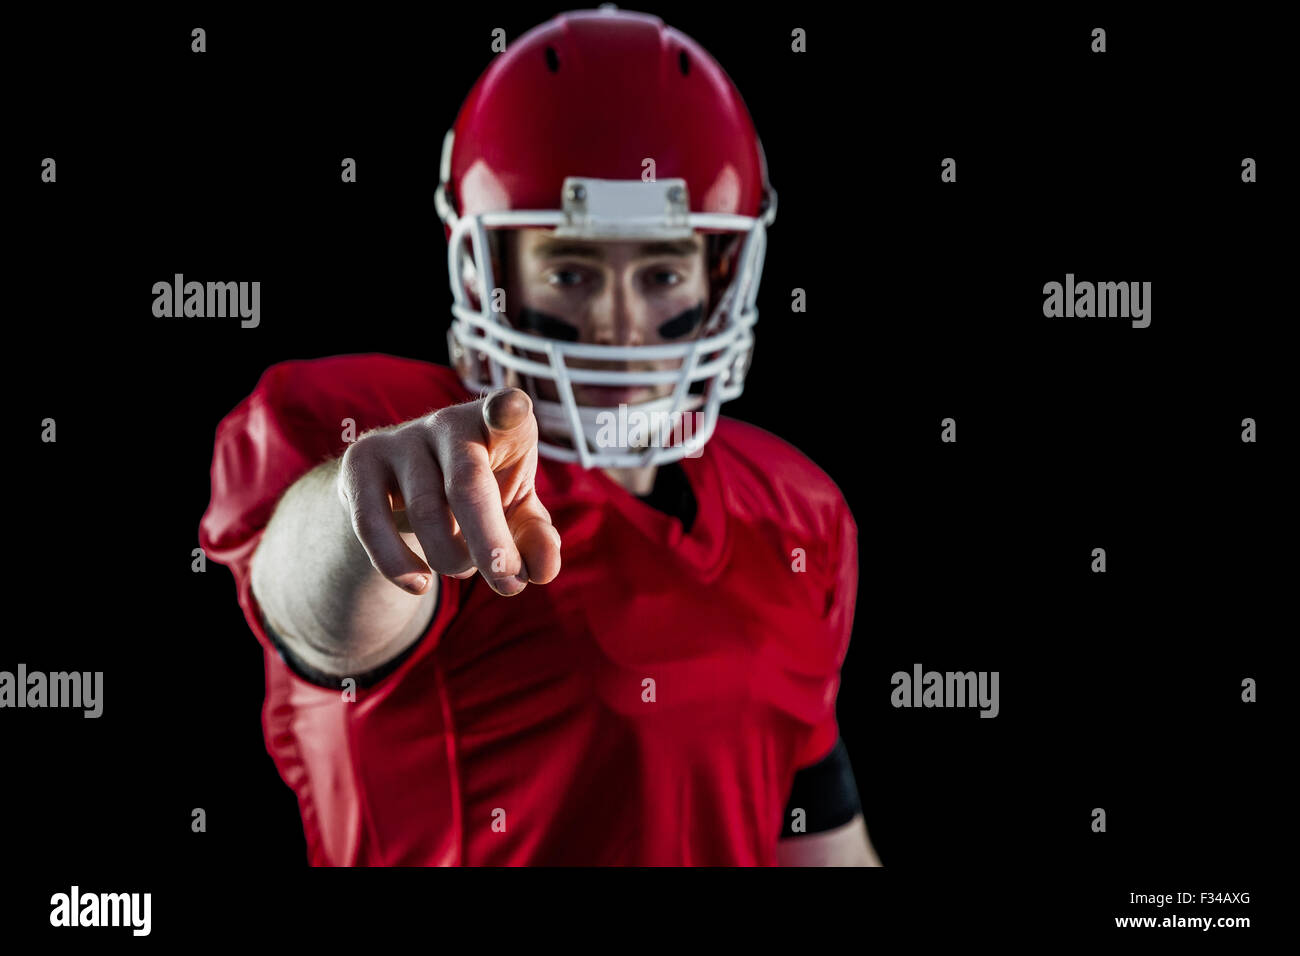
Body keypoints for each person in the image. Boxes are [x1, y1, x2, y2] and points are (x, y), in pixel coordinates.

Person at [199, 6, 881, 866]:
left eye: (662, 272)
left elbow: (819, 841)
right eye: (570, 270)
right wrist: (369, 507)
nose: (622, 328)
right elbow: (314, 618)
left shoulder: (795, 511)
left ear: (716, 276)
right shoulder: (402, 436)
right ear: (494, 274)